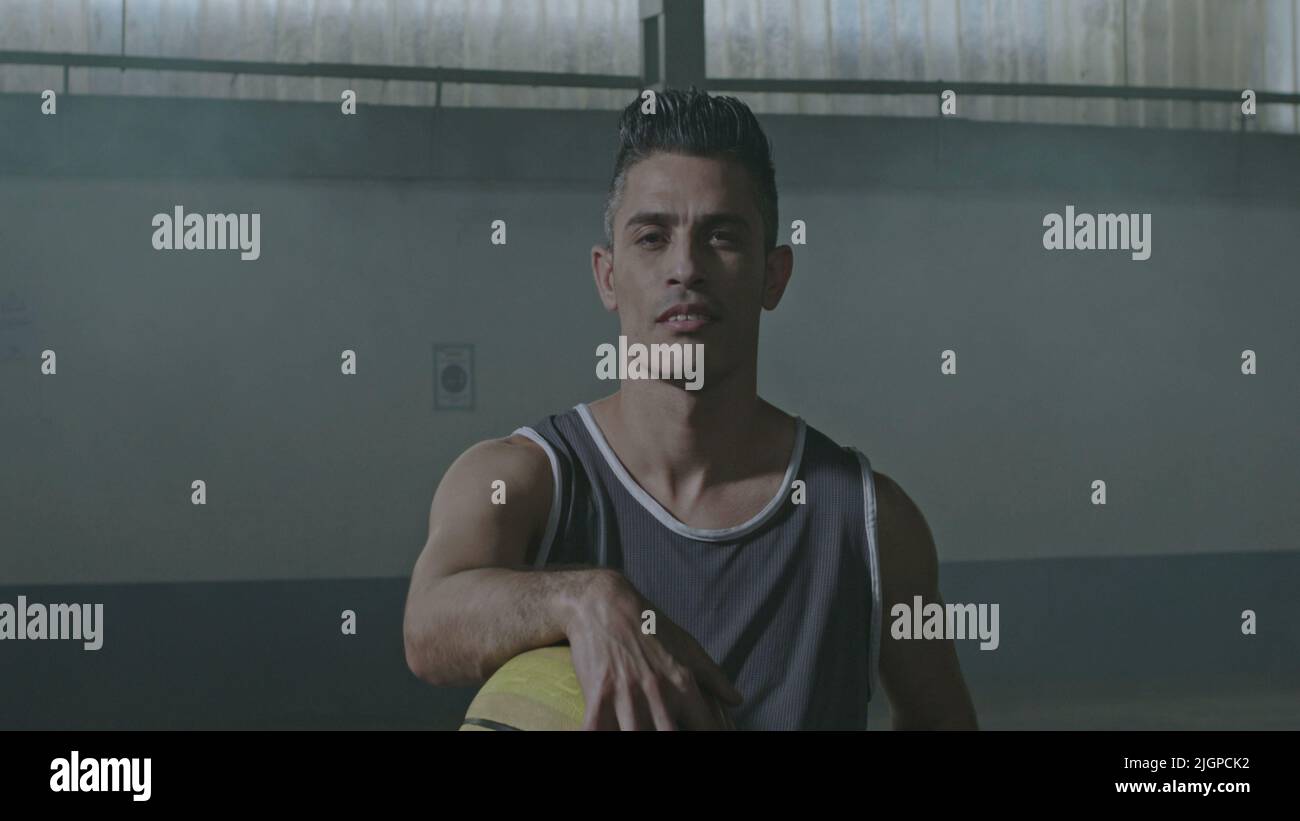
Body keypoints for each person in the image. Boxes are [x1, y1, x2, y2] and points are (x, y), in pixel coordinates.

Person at [403, 88, 977, 730]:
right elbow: (427, 624)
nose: (686, 267)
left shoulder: (870, 522)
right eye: (651, 237)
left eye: (722, 236)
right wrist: (586, 599)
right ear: (607, 276)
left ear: (774, 276)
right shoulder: (524, 480)